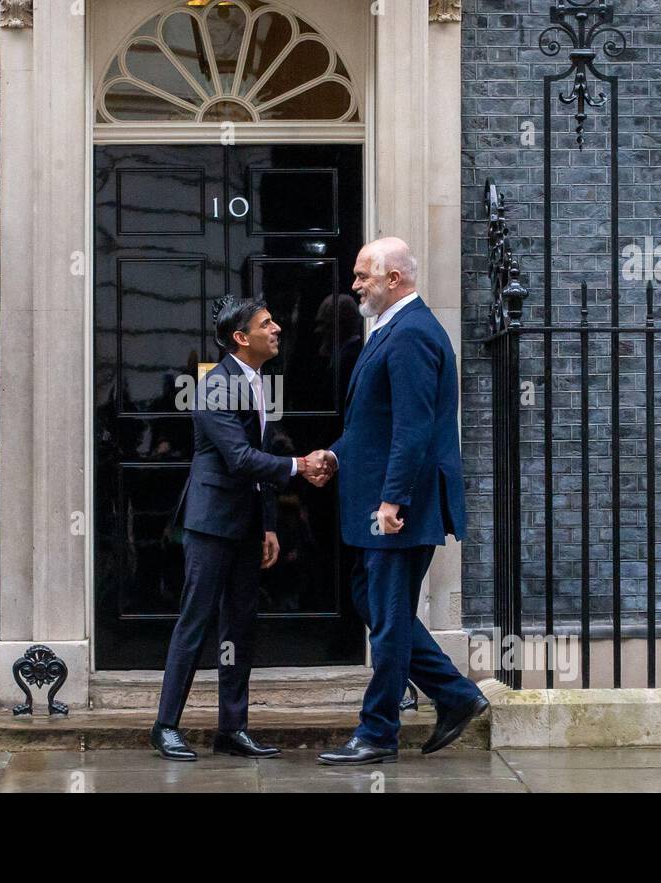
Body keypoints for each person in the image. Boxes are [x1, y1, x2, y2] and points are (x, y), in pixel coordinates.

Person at [303, 237, 488, 765]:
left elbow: (413, 427)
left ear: (395, 279)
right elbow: (373, 427)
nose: (355, 284)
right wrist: (336, 457)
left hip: (397, 508)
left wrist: (392, 501)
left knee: (385, 616)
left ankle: (378, 731)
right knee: (379, 607)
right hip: (385, 501)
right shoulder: (392, 330)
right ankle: (454, 695)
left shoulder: (410, 335)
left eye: (364, 275)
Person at [150, 297, 328, 761]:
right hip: (211, 526)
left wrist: (269, 525)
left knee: (240, 627)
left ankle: (232, 727)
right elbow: (241, 459)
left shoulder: (258, 382)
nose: (278, 330)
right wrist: (298, 465)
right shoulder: (214, 386)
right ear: (241, 338)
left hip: (247, 526)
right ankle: (165, 725)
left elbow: (256, 461)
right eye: (267, 324)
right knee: (195, 622)